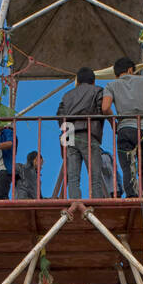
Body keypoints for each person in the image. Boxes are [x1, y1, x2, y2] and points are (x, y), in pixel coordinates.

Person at [101, 56, 143, 197]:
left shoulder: (111, 85)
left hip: (124, 130)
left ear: (117, 74)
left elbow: (105, 108)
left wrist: (113, 123)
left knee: (128, 168)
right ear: (130, 69)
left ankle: (132, 196)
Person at [57, 67, 105, 199]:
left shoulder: (67, 95)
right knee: (95, 174)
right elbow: (102, 110)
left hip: (70, 133)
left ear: (77, 81)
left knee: (73, 175)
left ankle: (74, 200)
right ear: (93, 81)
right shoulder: (97, 90)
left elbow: (60, 117)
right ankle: (97, 202)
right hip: (89, 132)